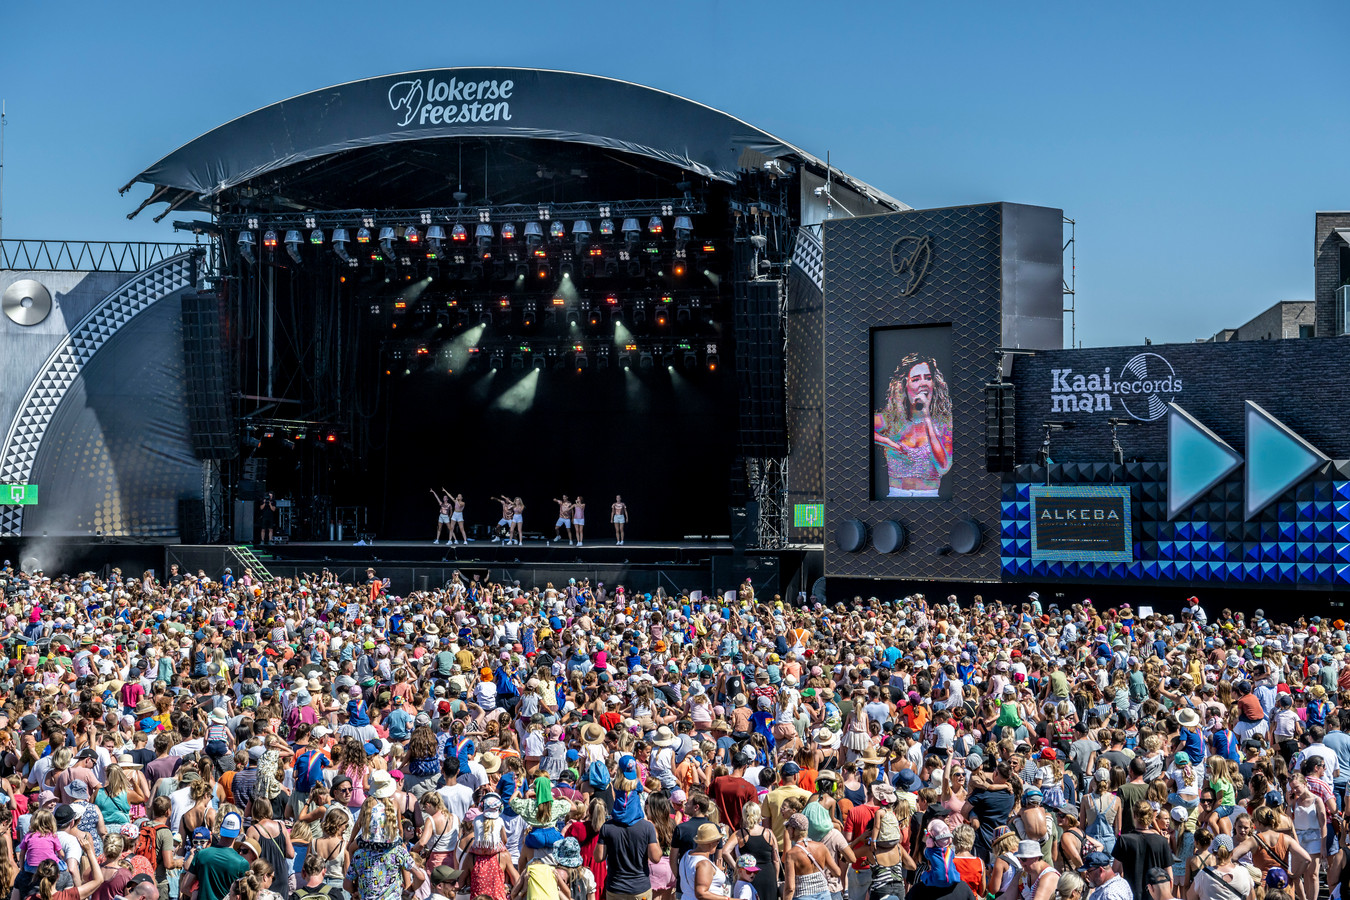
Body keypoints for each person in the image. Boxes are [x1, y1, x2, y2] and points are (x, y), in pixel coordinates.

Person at [872, 353, 953, 498]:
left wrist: (927, 416)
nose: (923, 383)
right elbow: (858, 427)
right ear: (905, 385)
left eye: (928, 378)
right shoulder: (891, 420)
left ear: (934, 383)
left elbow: (943, 467)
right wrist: (888, 441)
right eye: (916, 379)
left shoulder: (944, 424)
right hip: (896, 496)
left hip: (930, 498)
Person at [180, 812, 250, 900]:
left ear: (221, 827)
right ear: (239, 832)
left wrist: (198, 894)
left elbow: (184, 887)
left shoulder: (201, 854)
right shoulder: (242, 863)